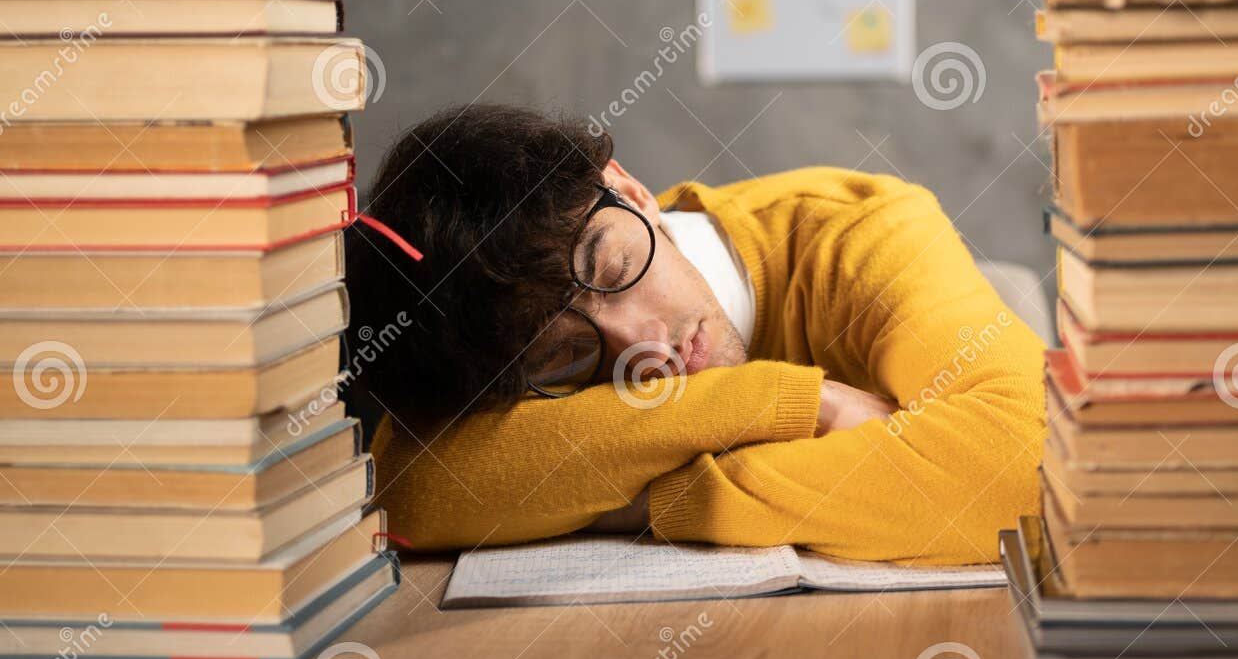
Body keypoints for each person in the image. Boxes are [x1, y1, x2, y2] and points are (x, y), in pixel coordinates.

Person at [345, 103, 1044, 565]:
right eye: (566, 351)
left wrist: (663, 500)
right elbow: (409, 488)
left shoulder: (866, 229)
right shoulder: (536, 370)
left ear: (629, 190)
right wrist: (797, 403)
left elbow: (1029, 472)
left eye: (615, 267)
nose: (642, 345)